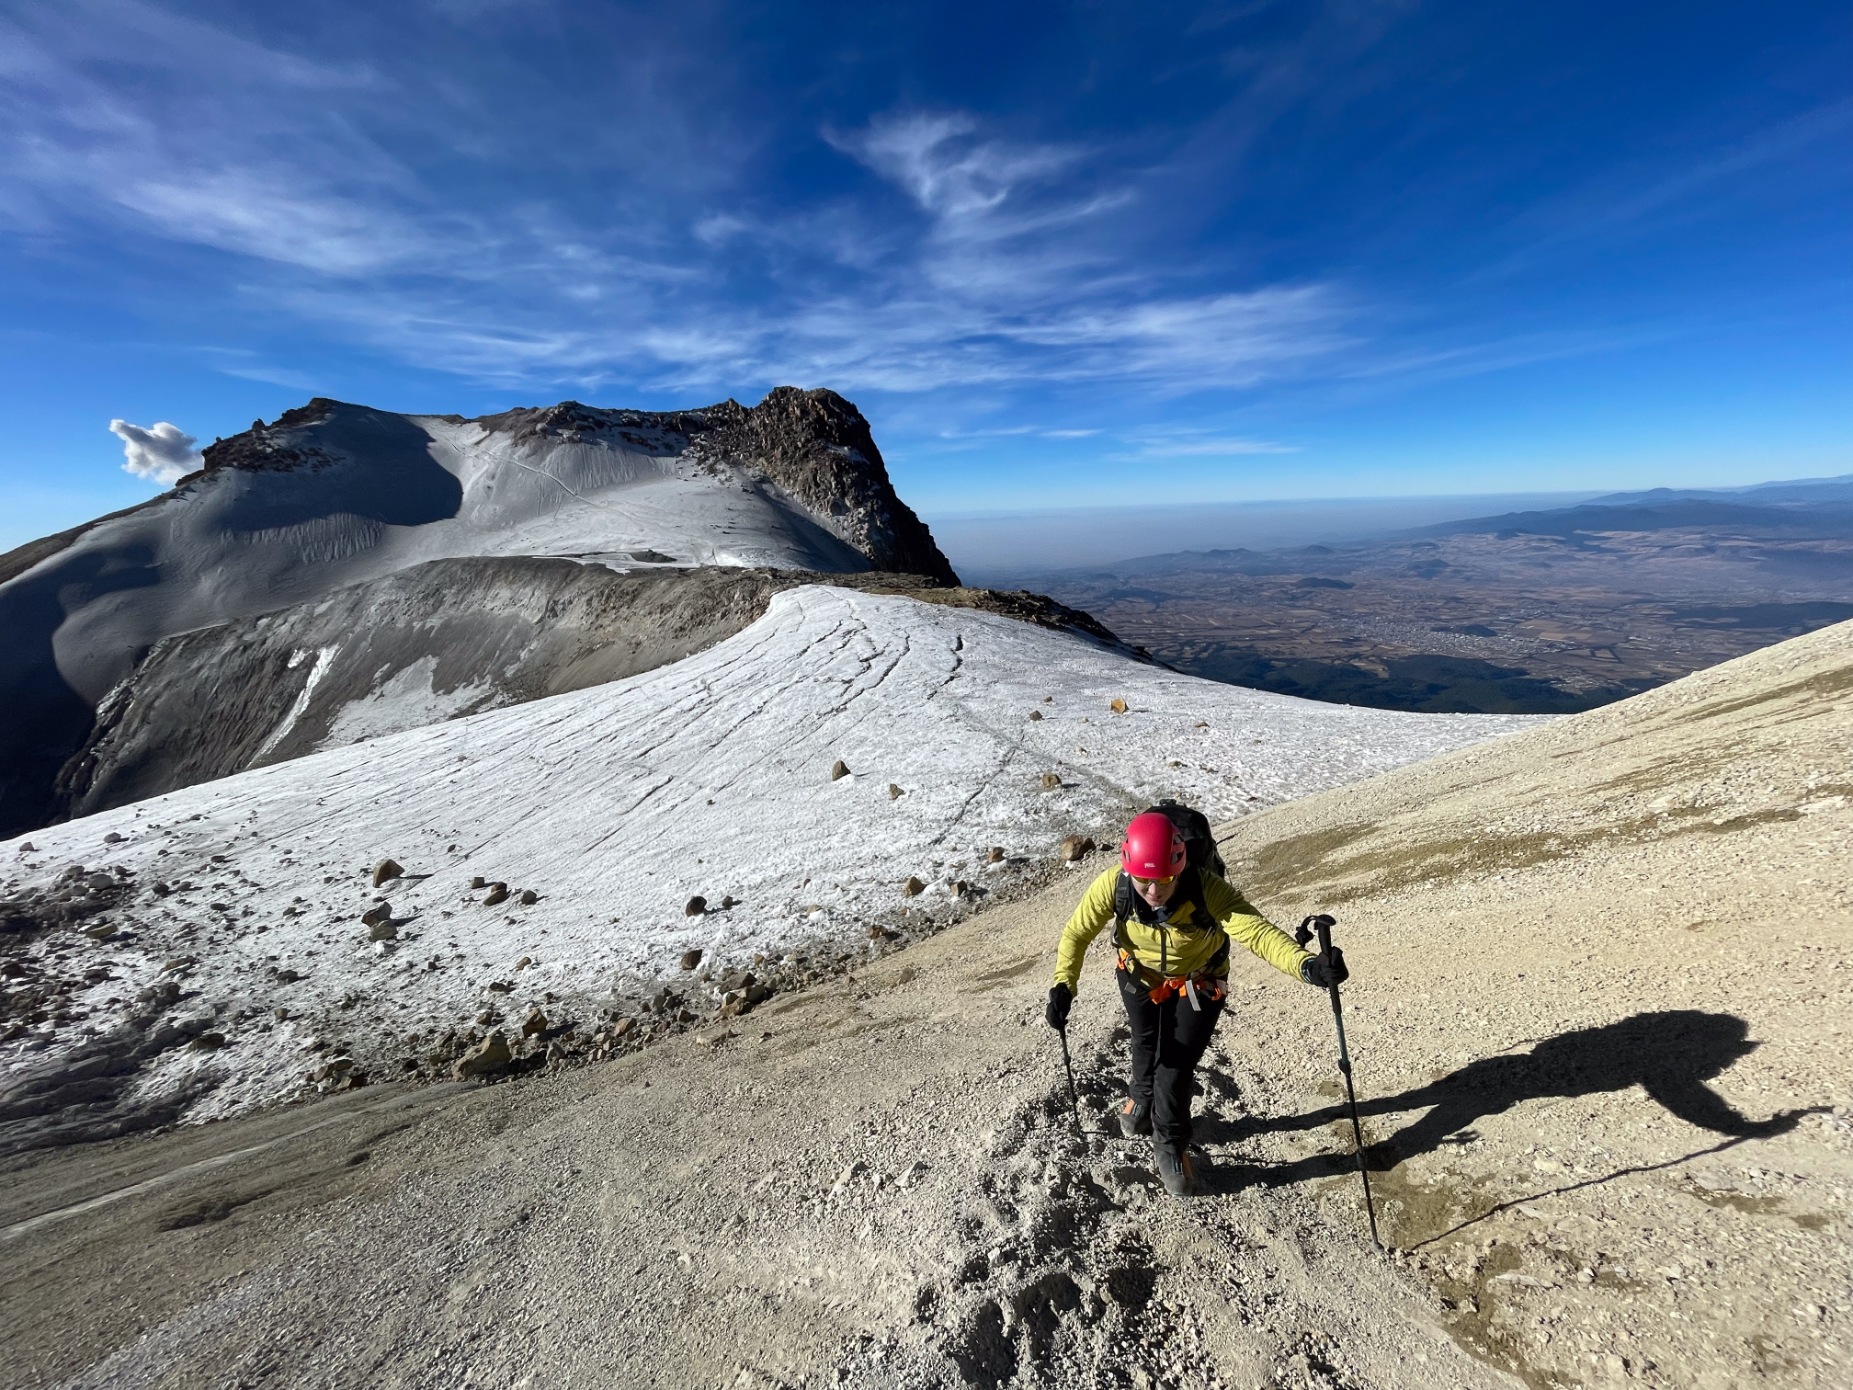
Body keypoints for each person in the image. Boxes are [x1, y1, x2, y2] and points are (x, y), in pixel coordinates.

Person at [1044, 809, 1348, 1197]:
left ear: (1181, 866)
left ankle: (1169, 1143)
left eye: (1165, 880)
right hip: (1138, 974)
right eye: (1144, 880)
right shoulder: (1113, 886)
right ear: (1128, 868)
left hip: (1200, 981)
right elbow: (1076, 933)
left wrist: (1307, 966)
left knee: (1174, 1067)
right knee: (1144, 1038)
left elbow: (1256, 932)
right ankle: (1140, 1097)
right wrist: (1063, 984)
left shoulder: (1207, 888)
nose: (1154, 891)